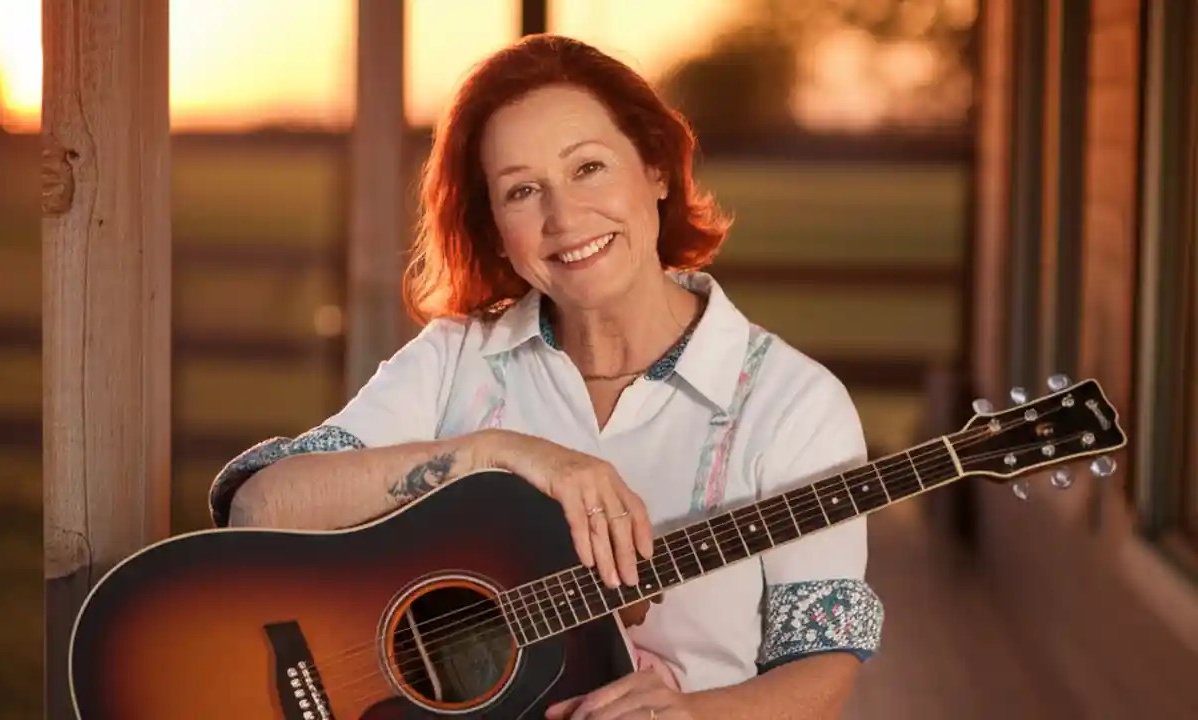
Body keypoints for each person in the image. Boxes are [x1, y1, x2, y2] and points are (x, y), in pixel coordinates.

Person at [210, 34, 883, 720]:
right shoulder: (451, 362)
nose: (563, 219)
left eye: (588, 167)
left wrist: (697, 715)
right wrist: (498, 454)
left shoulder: (792, 404)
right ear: (495, 226)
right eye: (522, 190)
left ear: (655, 170)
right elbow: (260, 507)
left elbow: (820, 665)